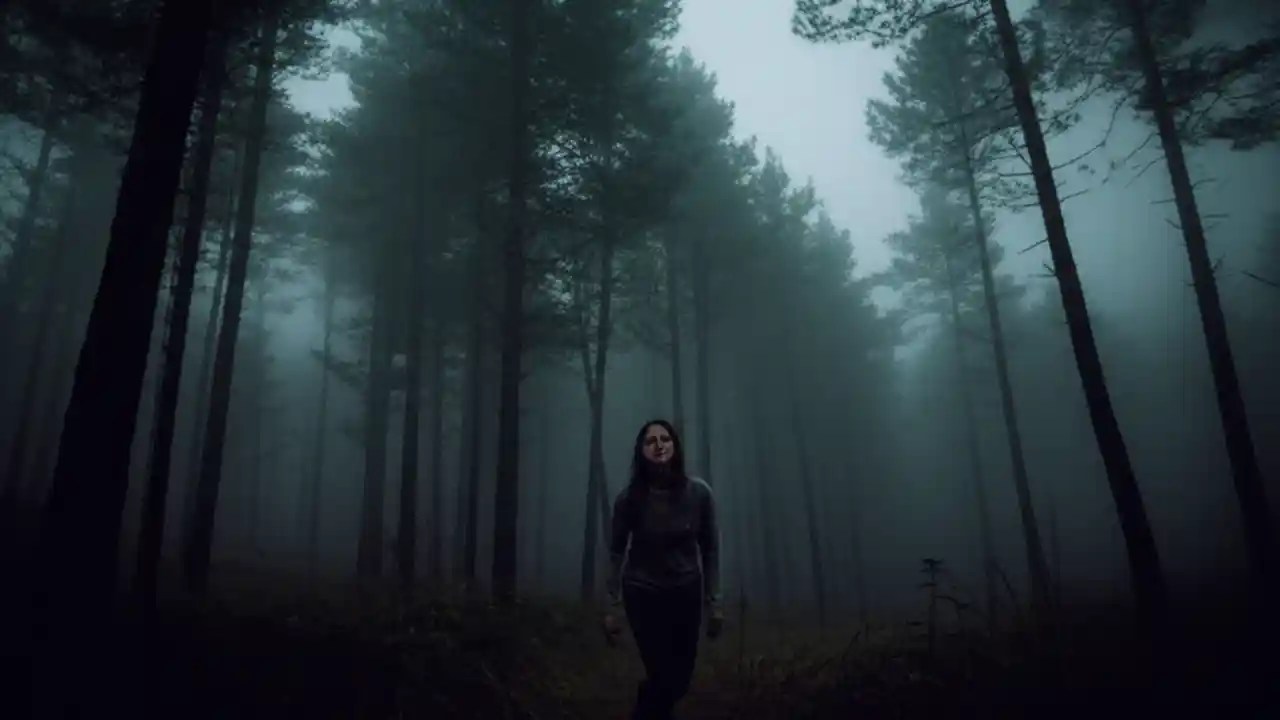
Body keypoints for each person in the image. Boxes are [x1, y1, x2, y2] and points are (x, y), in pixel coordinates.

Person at [602, 419, 723, 720]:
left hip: (686, 591)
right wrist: (611, 607)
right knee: (662, 673)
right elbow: (616, 553)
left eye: (665, 439)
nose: (659, 445)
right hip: (643, 592)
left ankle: (647, 708)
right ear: (641, 452)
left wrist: (714, 602)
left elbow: (710, 549)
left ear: (675, 447)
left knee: (679, 679)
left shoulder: (699, 494)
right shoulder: (628, 500)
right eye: (650, 441)